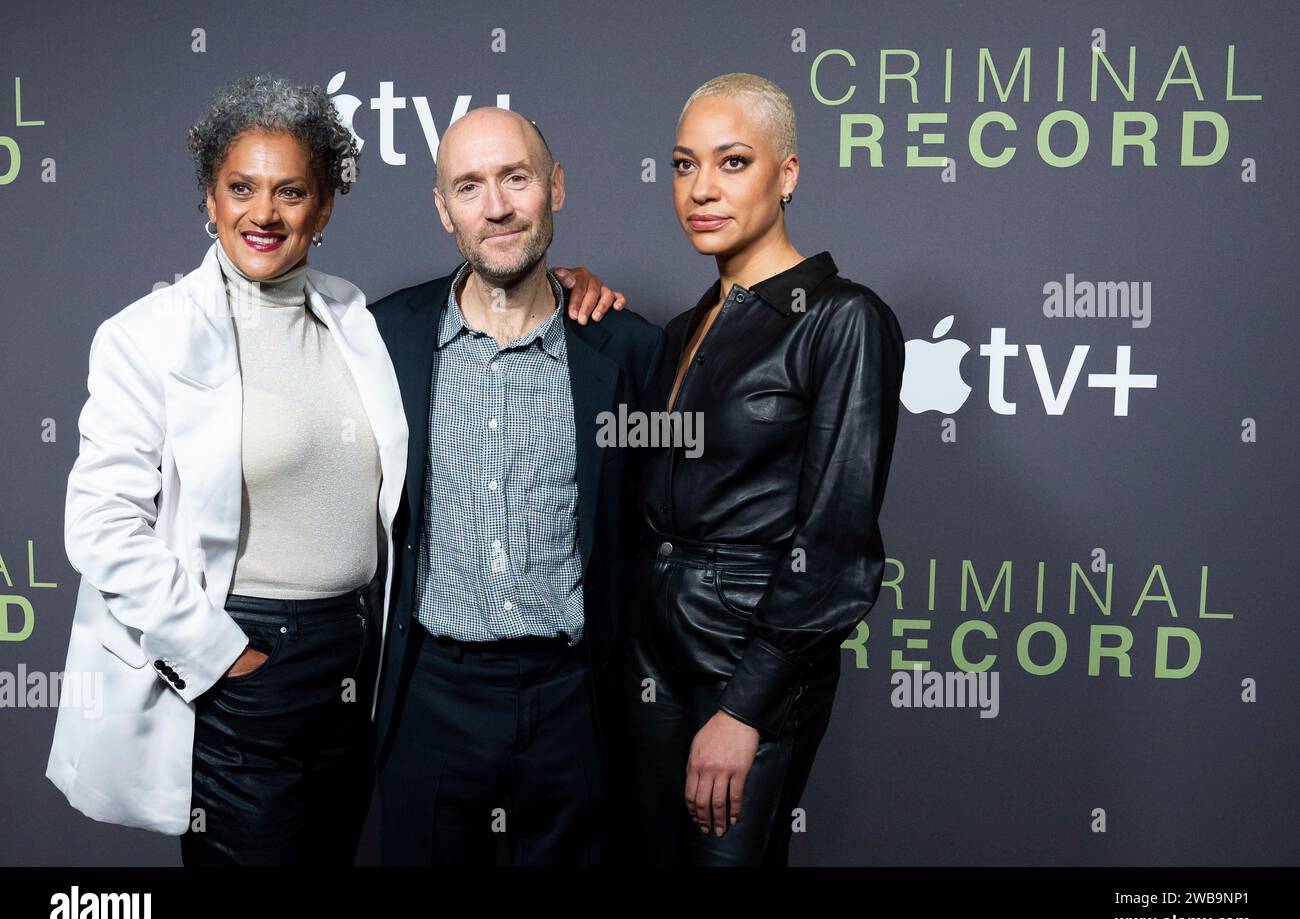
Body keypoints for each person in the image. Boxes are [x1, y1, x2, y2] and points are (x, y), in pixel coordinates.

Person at [44, 74, 620, 866]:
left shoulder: (359, 318)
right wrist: (225, 658)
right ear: (209, 201)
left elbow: (502, 289)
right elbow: (102, 528)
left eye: (291, 191)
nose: (264, 213)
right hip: (243, 662)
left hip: (358, 670)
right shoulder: (145, 336)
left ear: (323, 209)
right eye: (240, 188)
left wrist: (568, 283)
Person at [622, 72, 906, 866]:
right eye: (684, 165)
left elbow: (838, 543)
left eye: (732, 162)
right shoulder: (683, 329)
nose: (701, 189)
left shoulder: (845, 319)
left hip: (747, 654)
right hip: (647, 653)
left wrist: (745, 709)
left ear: (787, 175)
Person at [371, 106, 663, 866]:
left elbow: (662, 536)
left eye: (516, 178)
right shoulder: (383, 339)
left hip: (579, 704)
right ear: (443, 210)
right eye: (468, 187)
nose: (496, 206)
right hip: (430, 700)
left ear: (556, 188)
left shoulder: (630, 350)